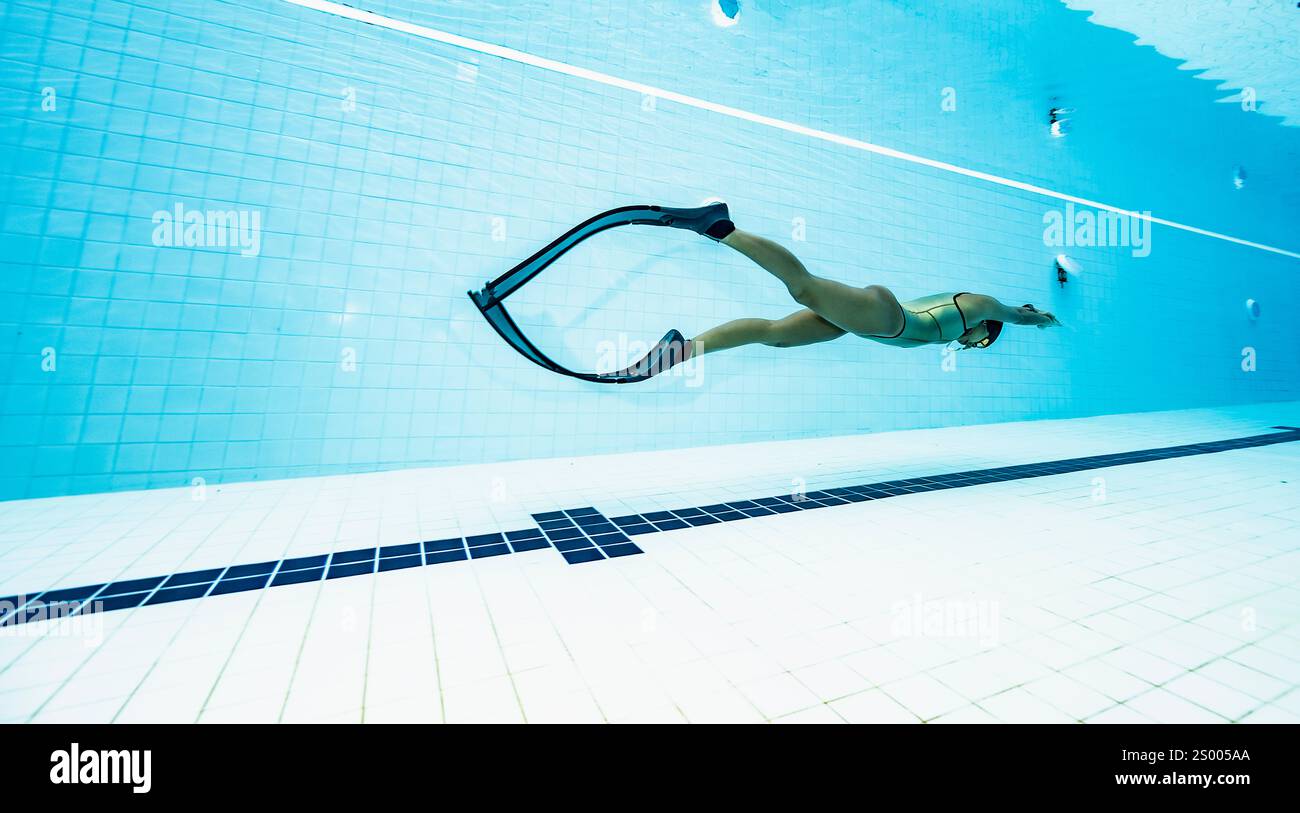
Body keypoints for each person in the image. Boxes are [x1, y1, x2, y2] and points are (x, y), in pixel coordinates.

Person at [613, 202, 1061, 378]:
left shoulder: (961, 324)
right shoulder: (978, 307)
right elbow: (1014, 313)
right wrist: (1038, 318)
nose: (977, 343)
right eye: (984, 339)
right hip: (887, 318)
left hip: (866, 326)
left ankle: (682, 351)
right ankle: (720, 226)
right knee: (804, 288)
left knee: (775, 335)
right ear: (986, 325)